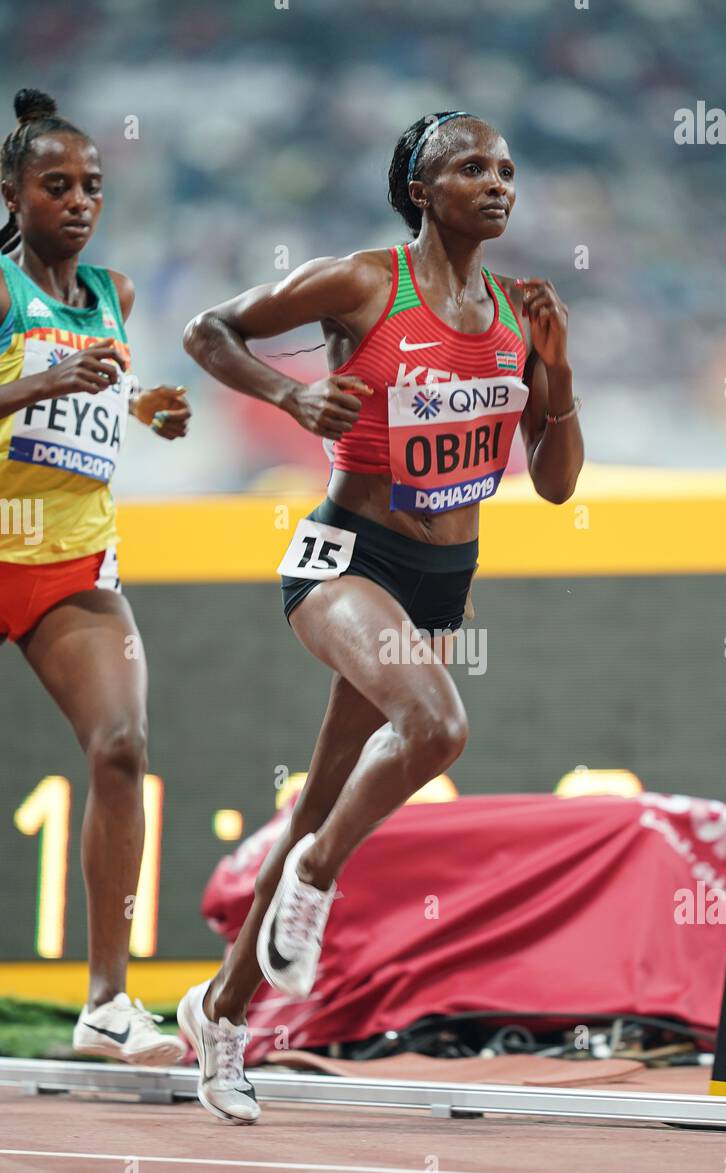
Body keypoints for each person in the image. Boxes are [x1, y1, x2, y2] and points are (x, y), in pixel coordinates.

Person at [179, 111, 583, 1122]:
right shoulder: (363, 283)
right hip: (345, 560)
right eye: (469, 168)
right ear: (418, 187)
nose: (496, 184)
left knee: (322, 792)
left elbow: (555, 486)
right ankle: (316, 876)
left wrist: (558, 378)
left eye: (506, 167)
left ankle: (219, 1014)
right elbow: (207, 330)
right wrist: (287, 394)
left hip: (442, 581)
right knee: (436, 726)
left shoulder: (513, 312)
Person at [0, 88, 191, 1064]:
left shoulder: (112, 292)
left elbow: (97, 408)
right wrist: (36, 382)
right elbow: (44, 393)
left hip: (70, 561)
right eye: (56, 185)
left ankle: (108, 1002)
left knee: (121, 747)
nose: (78, 201)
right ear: (12, 192)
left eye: (92, 187)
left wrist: (151, 407)